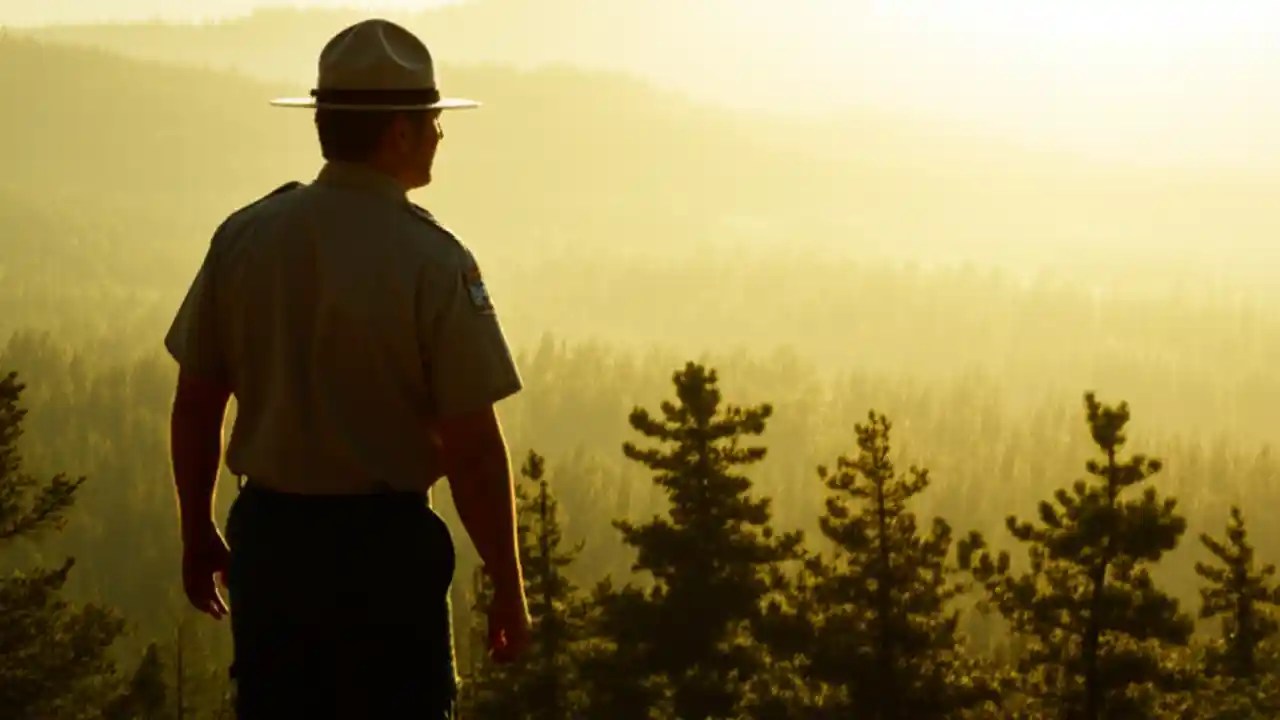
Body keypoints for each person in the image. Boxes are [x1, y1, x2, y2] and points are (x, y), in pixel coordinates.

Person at [164, 18, 530, 719]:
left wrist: (196, 528)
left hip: (272, 551)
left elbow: (196, 402)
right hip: (385, 560)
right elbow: (473, 452)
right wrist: (507, 585)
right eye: (430, 120)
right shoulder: (434, 262)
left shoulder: (243, 237)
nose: (439, 135)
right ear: (398, 134)